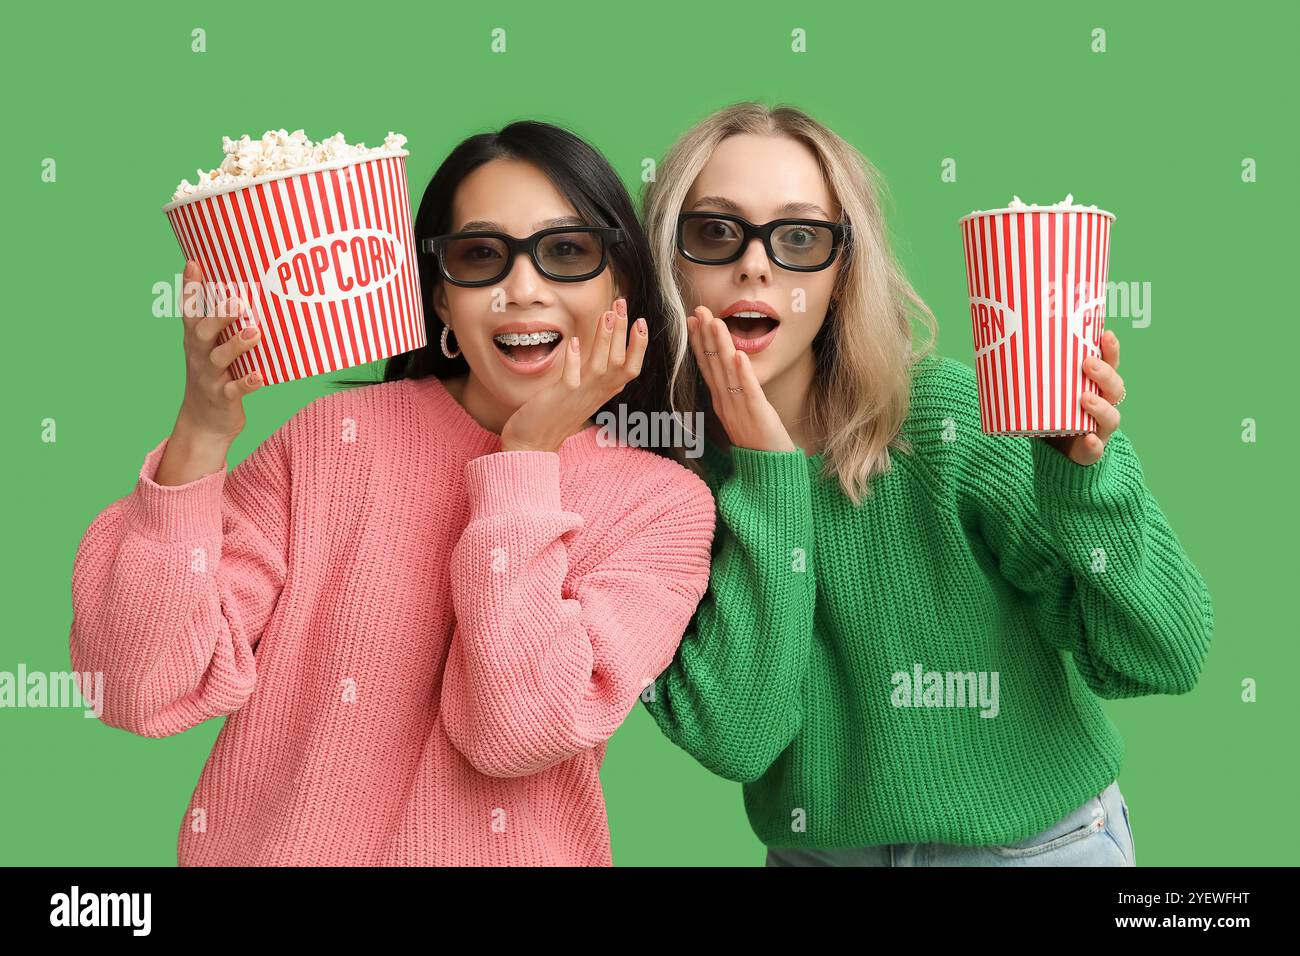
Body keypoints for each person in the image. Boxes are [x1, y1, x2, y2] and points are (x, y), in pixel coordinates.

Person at [69, 120, 715, 866]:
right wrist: (203, 429)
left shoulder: (661, 508)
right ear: (439, 300)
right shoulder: (334, 440)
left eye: (566, 252)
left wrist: (526, 458)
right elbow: (136, 685)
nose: (523, 289)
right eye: (481, 256)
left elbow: (517, 730)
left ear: (620, 285)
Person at [639, 101, 1213, 866]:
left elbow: (1163, 656)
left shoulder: (943, 423)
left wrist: (1085, 481)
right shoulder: (656, 481)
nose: (756, 263)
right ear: (668, 263)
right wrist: (770, 476)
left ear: (843, 275)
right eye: (715, 231)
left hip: (1035, 850)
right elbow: (737, 737)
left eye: (800, 236)